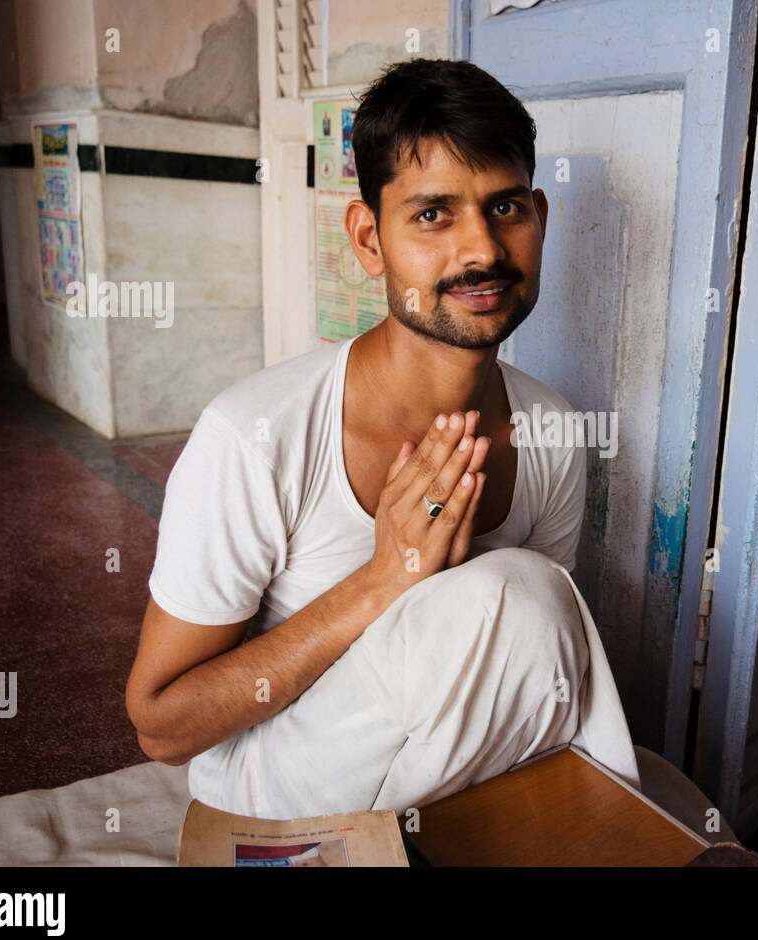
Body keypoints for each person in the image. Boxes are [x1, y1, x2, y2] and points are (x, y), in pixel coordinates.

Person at [124, 58, 638, 820]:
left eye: (505, 209)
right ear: (370, 241)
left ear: (539, 219)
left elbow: (532, 678)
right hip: (273, 785)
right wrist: (383, 579)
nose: (482, 252)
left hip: (447, 766)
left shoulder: (553, 431)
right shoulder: (257, 436)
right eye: (433, 214)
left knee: (540, 614)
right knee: (525, 596)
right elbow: (160, 725)